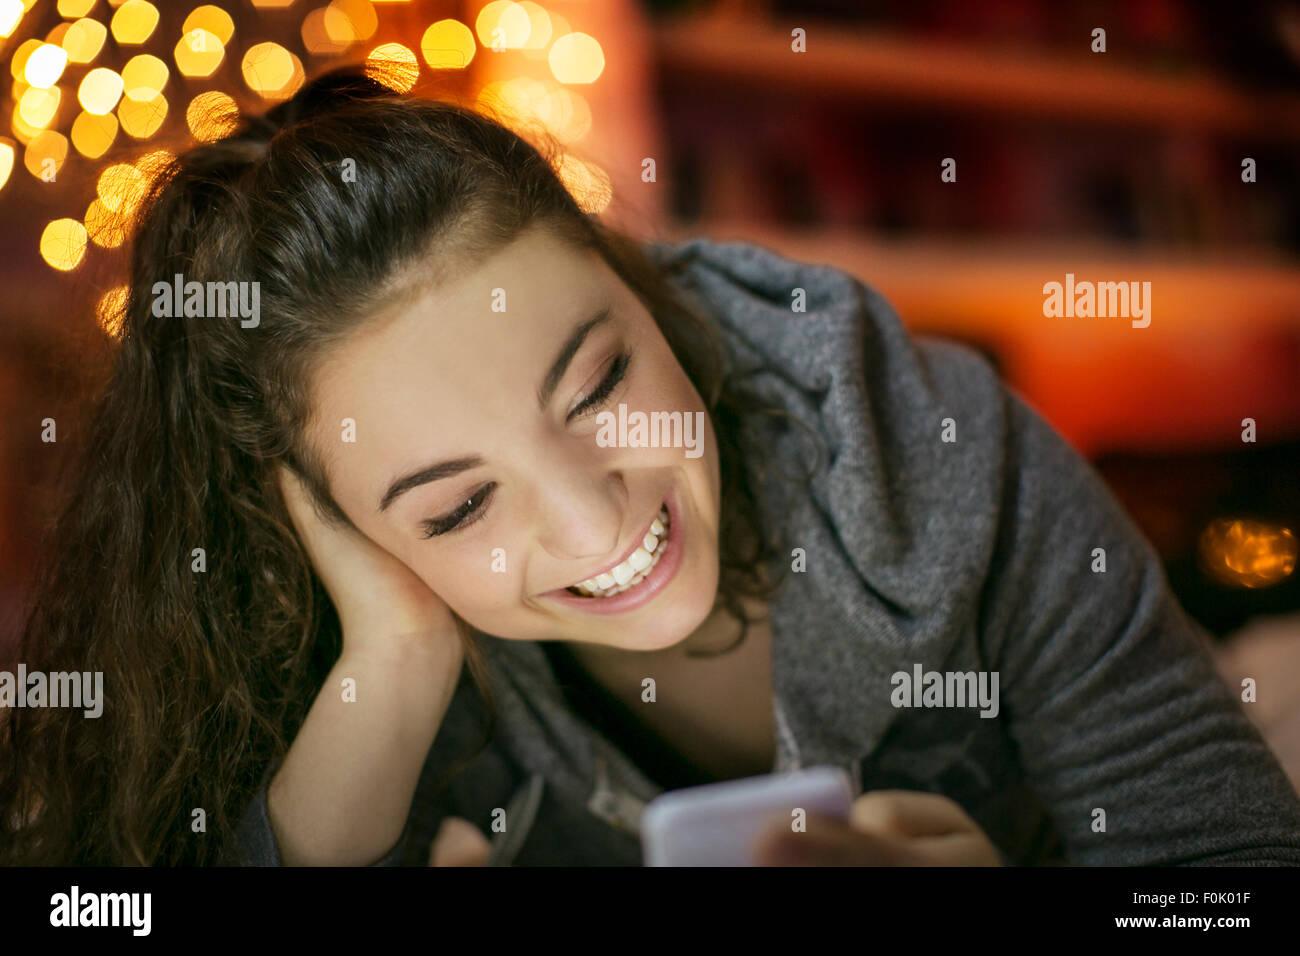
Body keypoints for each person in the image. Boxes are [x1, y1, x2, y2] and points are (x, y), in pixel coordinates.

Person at [3, 65, 1299, 867]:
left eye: (602, 382)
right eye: (455, 504)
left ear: (636, 285)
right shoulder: (341, 648)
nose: (590, 519)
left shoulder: (954, 447)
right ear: (335, 525)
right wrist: (392, 670)